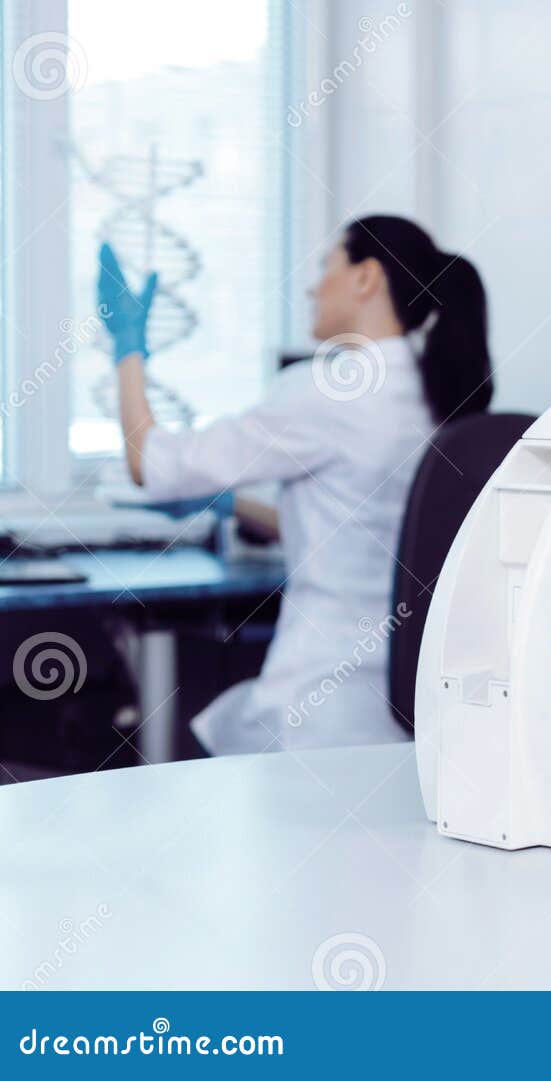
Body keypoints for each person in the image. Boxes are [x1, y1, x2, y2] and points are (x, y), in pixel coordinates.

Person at [97, 215, 493, 755]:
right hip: (409, 704)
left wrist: (127, 351)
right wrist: (233, 505)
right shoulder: (434, 395)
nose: (312, 286)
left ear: (365, 277)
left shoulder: (328, 390)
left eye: (325, 265)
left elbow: (153, 463)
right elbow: (364, 527)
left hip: (318, 701)